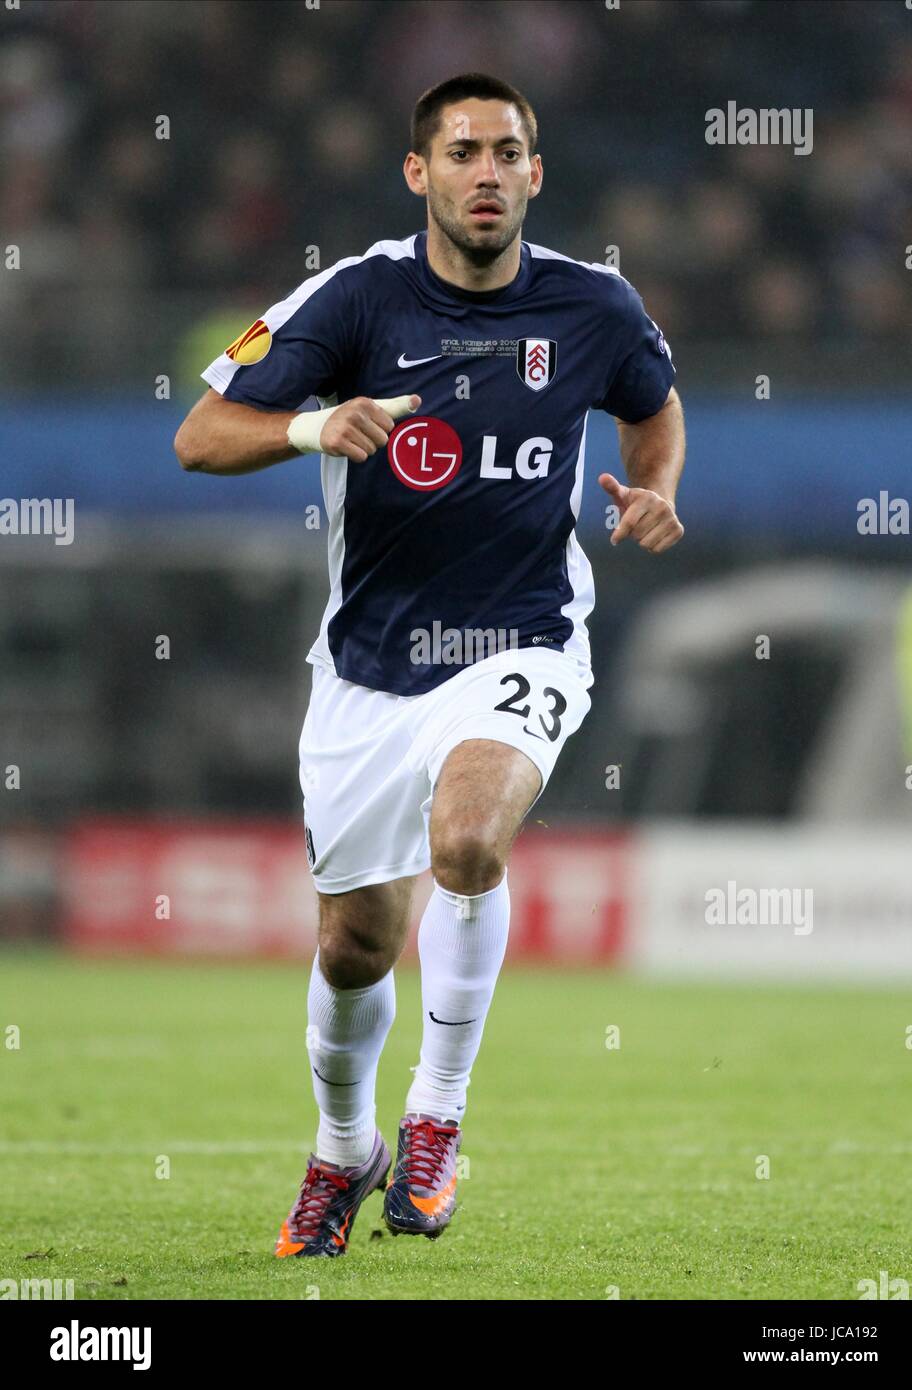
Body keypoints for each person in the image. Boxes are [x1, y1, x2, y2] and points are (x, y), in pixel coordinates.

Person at [174, 71, 685, 1257]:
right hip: (367, 668)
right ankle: (339, 1143)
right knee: (353, 944)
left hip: (522, 639)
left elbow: (653, 407)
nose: (487, 173)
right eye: (462, 153)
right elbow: (200, 436)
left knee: (468, 837)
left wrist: (652, 492)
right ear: (420, 174)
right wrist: (313, 423)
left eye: (508, 152)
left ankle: (435, 1120)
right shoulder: (348, 299)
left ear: (536, 173)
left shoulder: (594, 306)